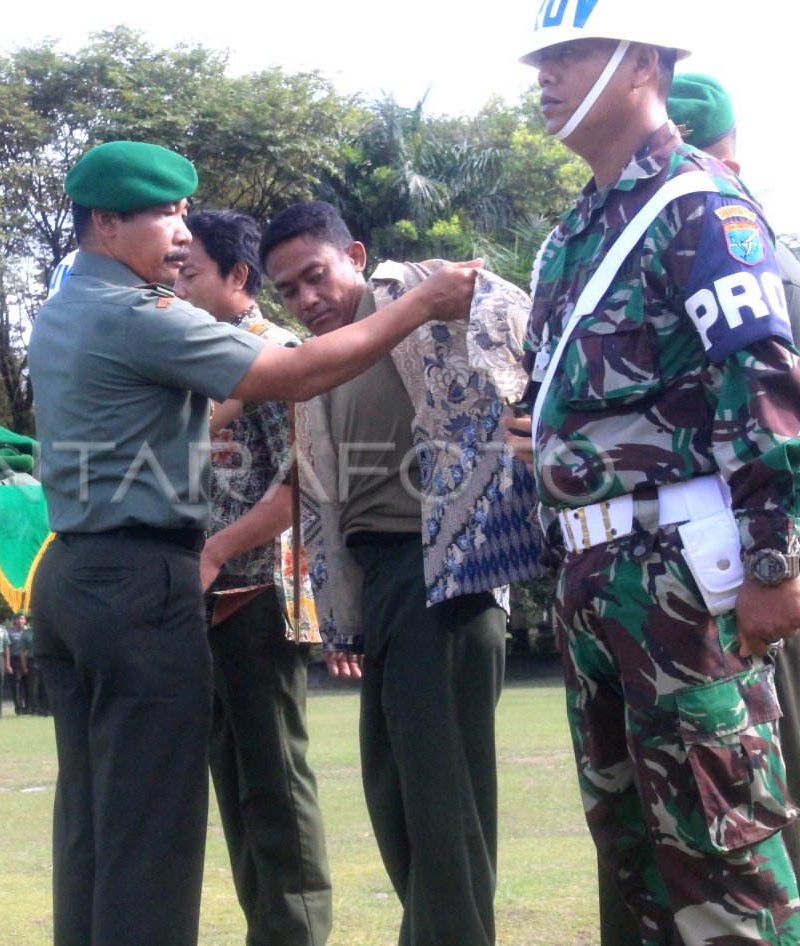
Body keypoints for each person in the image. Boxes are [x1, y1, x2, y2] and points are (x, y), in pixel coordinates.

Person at [27, 140, 483, 946]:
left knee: (94, 823)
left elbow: (191, 425)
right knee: (153, 830)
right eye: (162, 213)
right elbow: (296, 376)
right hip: (141, 581)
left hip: (75, 576)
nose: (179, 232)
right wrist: (419, 304)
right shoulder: (139, 313)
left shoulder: (65, 306)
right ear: (106, 222)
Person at [510, 6, 800, 944]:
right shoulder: (572, 233)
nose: (546, 76)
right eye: (542, 57)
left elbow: (766, 383)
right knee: (639, 866)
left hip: (682, 579)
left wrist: (774, 560)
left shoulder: (697, 203)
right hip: (592, 580)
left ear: (643, 62)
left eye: (568, 54)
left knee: (725, 859)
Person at [260, 200, 539, 946]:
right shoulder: (323, 357)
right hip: (380, 581)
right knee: (396, 798)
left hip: (446, 573)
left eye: (315, 275)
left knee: (444, 811)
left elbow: (533, 329)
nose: (306, 299)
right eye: (286, 290)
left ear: (354, 254)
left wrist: (544, 429)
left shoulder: (419, 292)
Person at [172, 210, 332, 946]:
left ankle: (294, 933)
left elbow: (302, 484)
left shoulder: (276, 355)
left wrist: (216, 550)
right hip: (210, 602)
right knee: (235, 793)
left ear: (238, 279)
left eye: (191, 271)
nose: (176, 282)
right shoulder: (206, 358)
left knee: (274, 788)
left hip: (260, 595)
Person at [7, 612, 28, 715]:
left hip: (28, 659)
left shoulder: (29, 631)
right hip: (15, 660)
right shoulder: (10, 633)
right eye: (18, 619)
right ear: (14, 621)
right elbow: (7, 649)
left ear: (25, 620)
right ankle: (18, 707)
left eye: (22, 619)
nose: (20, 621)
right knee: (16, 685)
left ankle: (29, 706)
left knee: (29, 684)